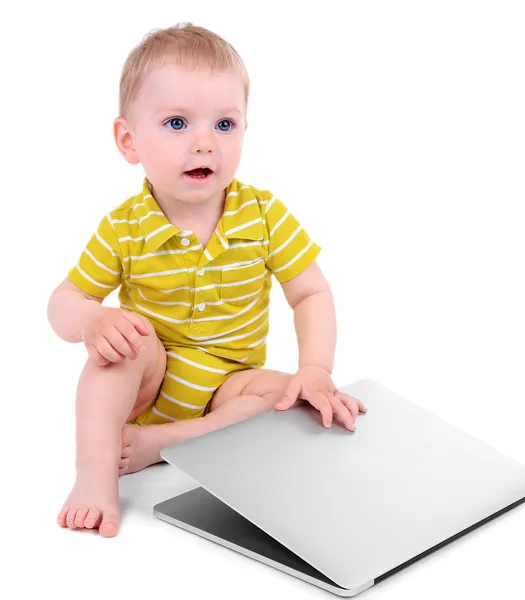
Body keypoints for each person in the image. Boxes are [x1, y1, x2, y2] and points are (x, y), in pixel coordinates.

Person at [47, 22, 367, 538]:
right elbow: (64, 300)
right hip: (149, 382)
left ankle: (166, 443)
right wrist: (91, 317)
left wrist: (314, 368)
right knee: (118, 349)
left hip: (229, 386)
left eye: (224, 124)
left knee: (289, 400)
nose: (204, 143)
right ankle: (94, 470)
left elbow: (310, 293)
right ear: (129, 141)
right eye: (176, 123)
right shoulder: (125, 228)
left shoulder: (263, 215)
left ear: (245, 129)